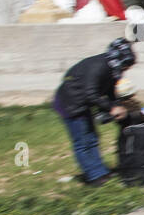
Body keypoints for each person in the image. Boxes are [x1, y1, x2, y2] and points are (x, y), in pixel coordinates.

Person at [53, 38, 136, 186]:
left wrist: (117, 105)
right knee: (82, 141)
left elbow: (110, 91)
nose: (125, 70)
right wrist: (111, 108)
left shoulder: (111, 68)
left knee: (92, 138)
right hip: (70, 104)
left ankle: (100, 171)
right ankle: (94, 177)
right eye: (125, 66)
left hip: (81, 104)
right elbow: (90, 94)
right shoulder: (98, 67)